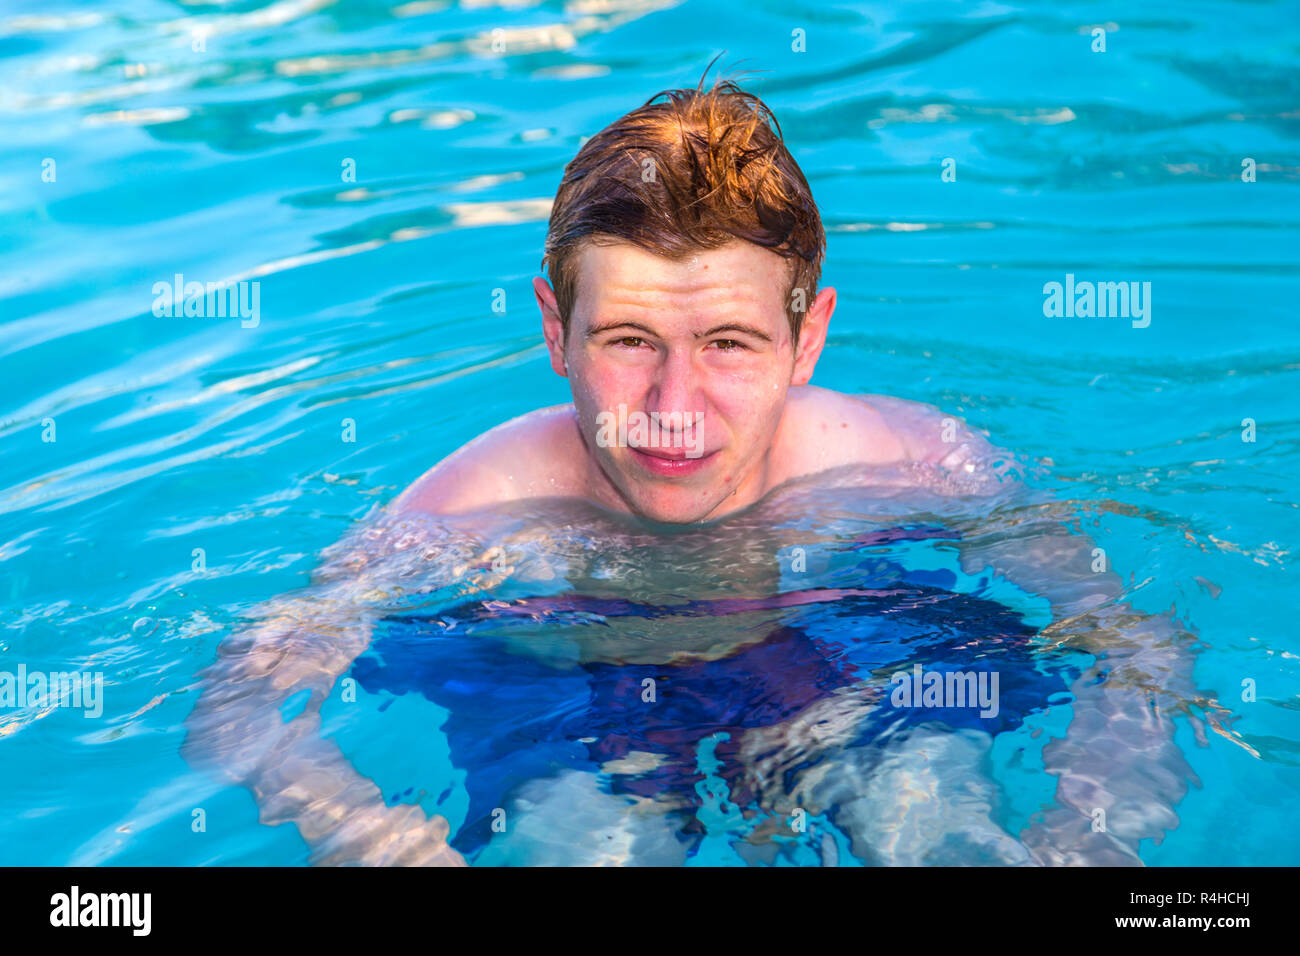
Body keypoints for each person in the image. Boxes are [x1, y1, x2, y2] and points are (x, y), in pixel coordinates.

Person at [183, 73, 1206, 866]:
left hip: (853, 666)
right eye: (628, 338)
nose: (673, 414)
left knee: (932, 827)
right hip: (574, 702)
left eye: (728, 343)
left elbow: (1132, 644)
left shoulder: (918, 464)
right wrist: (364, 828)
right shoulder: (470, 508)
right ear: (554, 329)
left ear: (807, 340)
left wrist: (1093, 822)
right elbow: (237, 704)